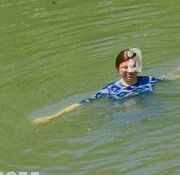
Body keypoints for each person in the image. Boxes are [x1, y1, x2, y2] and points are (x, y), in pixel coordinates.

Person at [32, 49, 162, 124]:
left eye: (133, 66)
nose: (129, 70)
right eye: (124, 67)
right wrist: (52, 117)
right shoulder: (110, 90)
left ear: (139, 68)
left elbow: (173, 78)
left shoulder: (149, 80)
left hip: (149, 115)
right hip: (124, 119)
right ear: (118, 69)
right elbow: (82, 103)